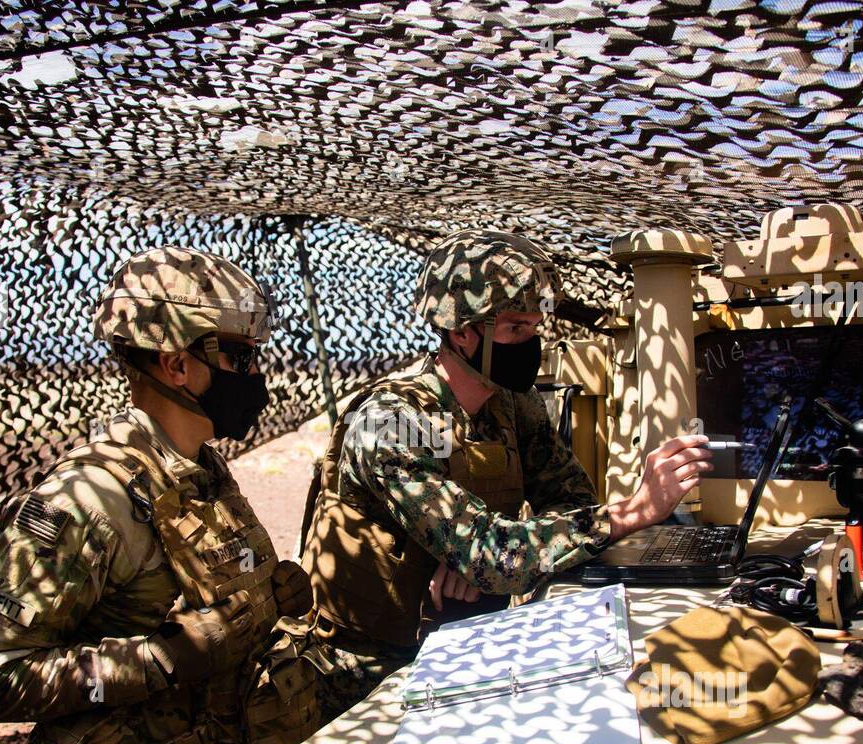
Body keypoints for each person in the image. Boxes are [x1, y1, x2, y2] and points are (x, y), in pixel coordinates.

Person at [0, 246, 313, 744]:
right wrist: (163, 657)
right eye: (238, 356)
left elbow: (216, 610)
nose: (254, 374)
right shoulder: (89, 501)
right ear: (177, 365)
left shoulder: (200, 469)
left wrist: (268, 599)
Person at [302, 229, 712, 718]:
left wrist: (479, 558)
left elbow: (566, 504)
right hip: (367, 667)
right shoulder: (391, 420)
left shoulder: (513, 403)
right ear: (462, 333)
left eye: (536, 328)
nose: (531, 343)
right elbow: (495, 556)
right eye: (515, 329)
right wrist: (636, 510)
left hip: (462, 637)